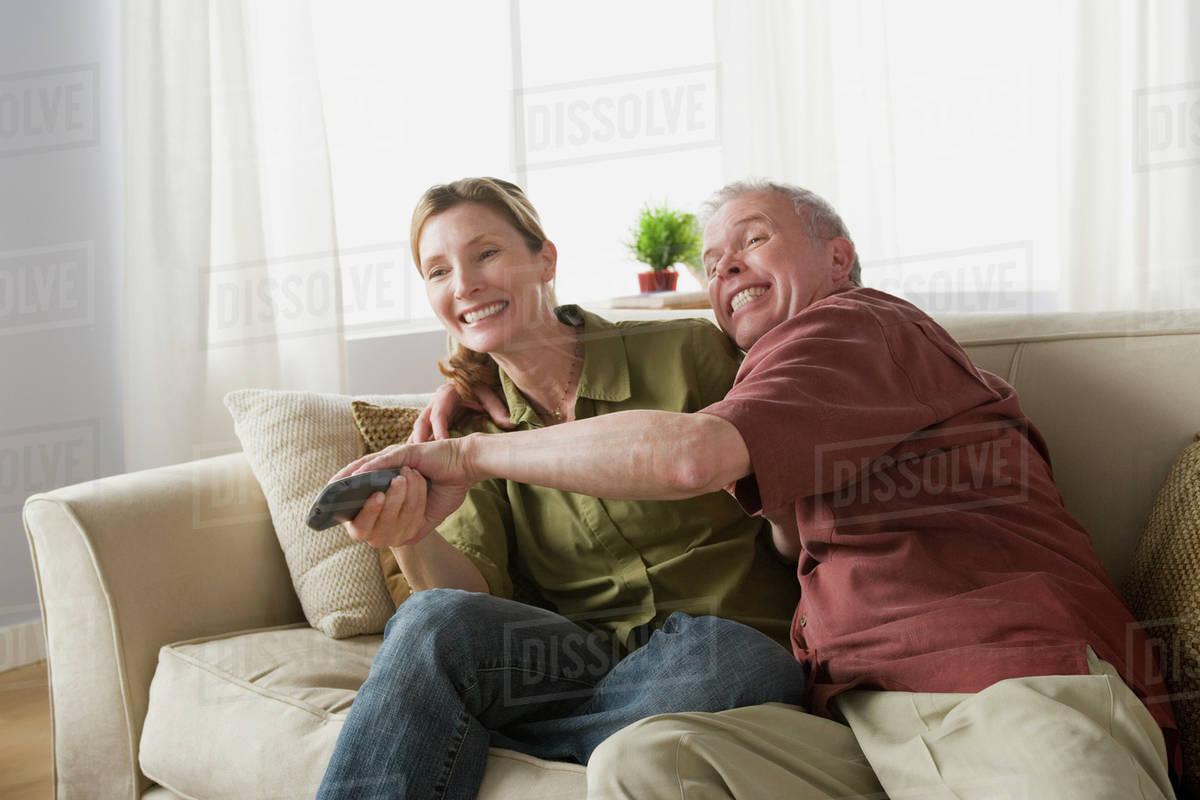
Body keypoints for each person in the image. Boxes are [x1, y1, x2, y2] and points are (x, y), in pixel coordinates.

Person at [339, 179, 1181, 799]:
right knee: (610, 739)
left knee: (721, 662)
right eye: (713, 263)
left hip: (981, 676)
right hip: (852, 709)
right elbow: (477, 597)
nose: (727, 269)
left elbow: (694, 455)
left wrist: (471, 455)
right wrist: (416, 516)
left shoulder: (832, 329)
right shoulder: (477, 415)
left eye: (753, 240)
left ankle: (455, 729)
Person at [315, 178, 805, 800]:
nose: (464, 284)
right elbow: (467, 598)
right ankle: (568, 735)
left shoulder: (687, 350)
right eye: (439, 271)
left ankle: (507, 739)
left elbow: (790, 470)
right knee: (431, 619)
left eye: (486, 253)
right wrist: (411, 534)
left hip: (728, 643)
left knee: (732, 661)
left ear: (545, 259)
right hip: (584, 663)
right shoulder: (465, 433)